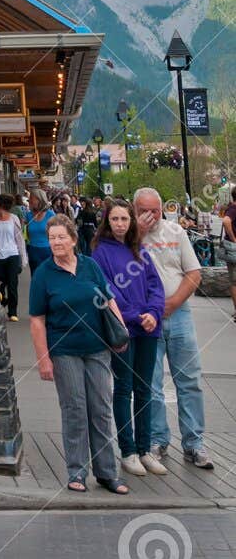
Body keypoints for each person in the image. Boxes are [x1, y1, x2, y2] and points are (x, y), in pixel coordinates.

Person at [28, 215, 129, 494]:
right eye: (52, 238)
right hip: (64, 350)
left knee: (101, 409)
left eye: (61, 237)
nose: (56, 242)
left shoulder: (90, 266)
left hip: (97, 348)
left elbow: (108, 300)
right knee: (74, 410)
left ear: (73, 239)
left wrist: (120, 331)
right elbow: (37, 320)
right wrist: (43, 359)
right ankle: (77, 471)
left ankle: (108, 473)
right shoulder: (43, 274)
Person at [134, 186, 213, 469]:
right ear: (135, 211)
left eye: (154, 210)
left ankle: (195, 443)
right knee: (150, 383)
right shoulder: (127, 237)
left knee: (189, 380)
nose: (150, 216)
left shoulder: (176, 233)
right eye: (144, 211)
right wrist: (138, 236)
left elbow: (194, 272)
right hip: (145, 319)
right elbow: (118, 272)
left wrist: (174, 302)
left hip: (178, 315)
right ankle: (157, 440)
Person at [90, 199, 167, 476]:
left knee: (144, 389)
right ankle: (128, 450)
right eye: (115, 219)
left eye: (124, 219)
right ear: (107, 222)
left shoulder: (141, 251)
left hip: (148, 329)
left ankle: (145, 449)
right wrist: (136, 315)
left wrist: (154, 313)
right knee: (124, 390)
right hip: (124, 330)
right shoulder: (100, 253)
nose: (120, 224)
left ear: (131, 222)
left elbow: (155, 286)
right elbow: (109, 292)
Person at [0, 193, 28, 320]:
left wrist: (23, 258)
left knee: (12, 284)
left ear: (1, 205)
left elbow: (19, 239)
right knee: (0, 285)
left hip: (12, 255)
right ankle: (4, 303)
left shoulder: (13, 218)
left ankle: (13, 312)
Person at [25, 191, 55, 274]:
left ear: (39, 200)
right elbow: (26, 233)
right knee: (35, 277)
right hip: (33, 250)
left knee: (48, 277)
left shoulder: (50, 215)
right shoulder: (28, 215)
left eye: (31, 198)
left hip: (48, 251)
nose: (29, 200)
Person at [219, 188, 236, 321]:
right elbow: (226, 221)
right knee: (234, 281)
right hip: (233, 248)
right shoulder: (233, 209)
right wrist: (234, 238)